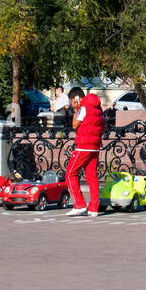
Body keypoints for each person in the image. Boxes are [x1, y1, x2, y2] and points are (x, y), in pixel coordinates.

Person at [64, 87, 105, 217]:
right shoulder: (98, 108)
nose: (71, 104)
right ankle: (93, 208)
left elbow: (75, 125)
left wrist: (76, 110)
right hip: (95, 146)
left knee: (70, 173)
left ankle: (79, 204)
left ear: (77, 98)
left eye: (72, 101)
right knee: (91, 177)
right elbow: (103, 125)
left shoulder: (83, 107)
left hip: (83, 146)